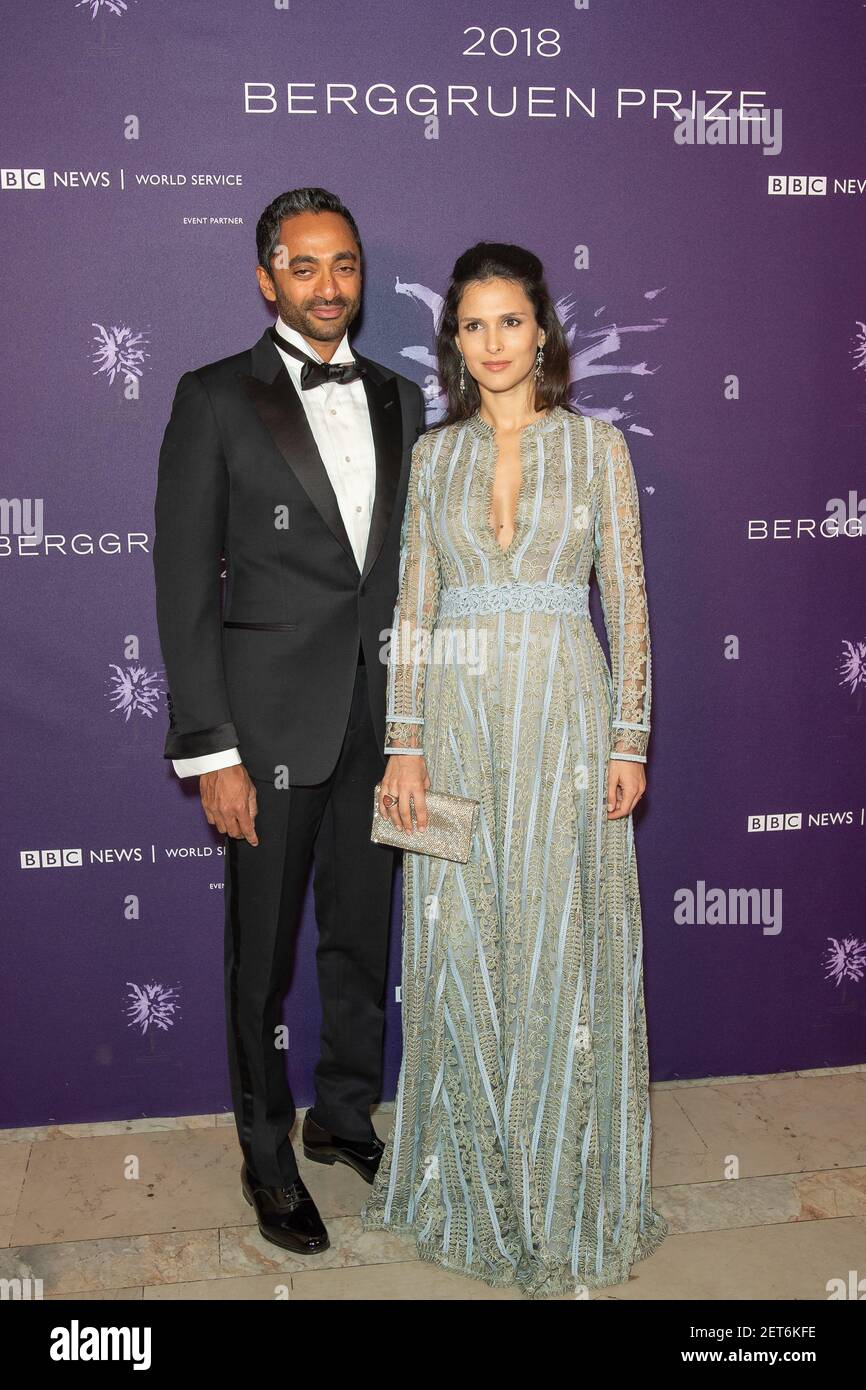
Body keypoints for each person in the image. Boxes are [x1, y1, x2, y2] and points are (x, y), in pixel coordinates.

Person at [361, 242, 669, 1297]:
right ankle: (473, 1179)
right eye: (472, 325)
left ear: (542, 330)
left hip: (563, 721)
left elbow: (625, 601)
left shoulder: (595, 449)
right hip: (451, 715)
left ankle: (562, 1185)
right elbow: (410, 606)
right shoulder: (436, 457)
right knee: (455, 947)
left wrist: (628, 738)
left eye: (509, 321)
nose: (491, 343)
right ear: (454, 340)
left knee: (555, 946)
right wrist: (403, 741)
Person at [153, 187, 425, 1255]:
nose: (327, 286)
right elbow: (184, 582)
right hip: (263, 734)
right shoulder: (214, 395)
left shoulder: (402, 400)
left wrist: (419, 717)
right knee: (260, 958)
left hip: (379, 722)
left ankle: (345, 1118)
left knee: (362, 939)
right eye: (304, 266)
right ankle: (266, 1156)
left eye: (345, 265)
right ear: (267, 277)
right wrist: (210, 746)